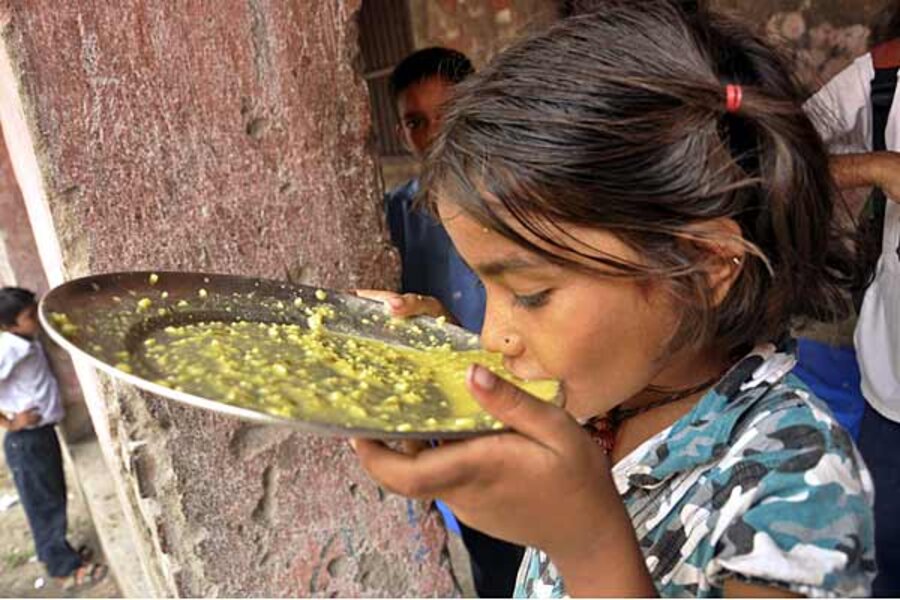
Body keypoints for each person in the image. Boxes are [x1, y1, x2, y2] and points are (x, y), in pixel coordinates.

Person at [351, 2, 875, 596]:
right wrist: (454, 381)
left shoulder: (797, 480)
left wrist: (589, 544)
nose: (493, 336)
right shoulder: (606, 392)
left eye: (531, 293)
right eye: (484, 286)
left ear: (705, 265)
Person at [362, 47, 526, 597]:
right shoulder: (394, 221)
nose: (434, 135)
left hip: (543, 425)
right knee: (500, 575)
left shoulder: (528, 202)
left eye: (449, 113)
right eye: (416, 122)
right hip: (463, 442)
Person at [804, 3, 900, 594]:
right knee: (884, 557)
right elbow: (778, 155)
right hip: (895, 395)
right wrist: (877, 167)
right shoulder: (885, 76)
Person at [0, 287, 106, 590]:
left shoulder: (26, 340)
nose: (38, 318)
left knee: (52, 497)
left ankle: (61, 553)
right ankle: (63, 569)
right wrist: (10, 422)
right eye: (30, 316)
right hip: (26, 441)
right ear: (9, 326)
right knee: (43, 505)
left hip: (40, 436)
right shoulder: (8, 349)